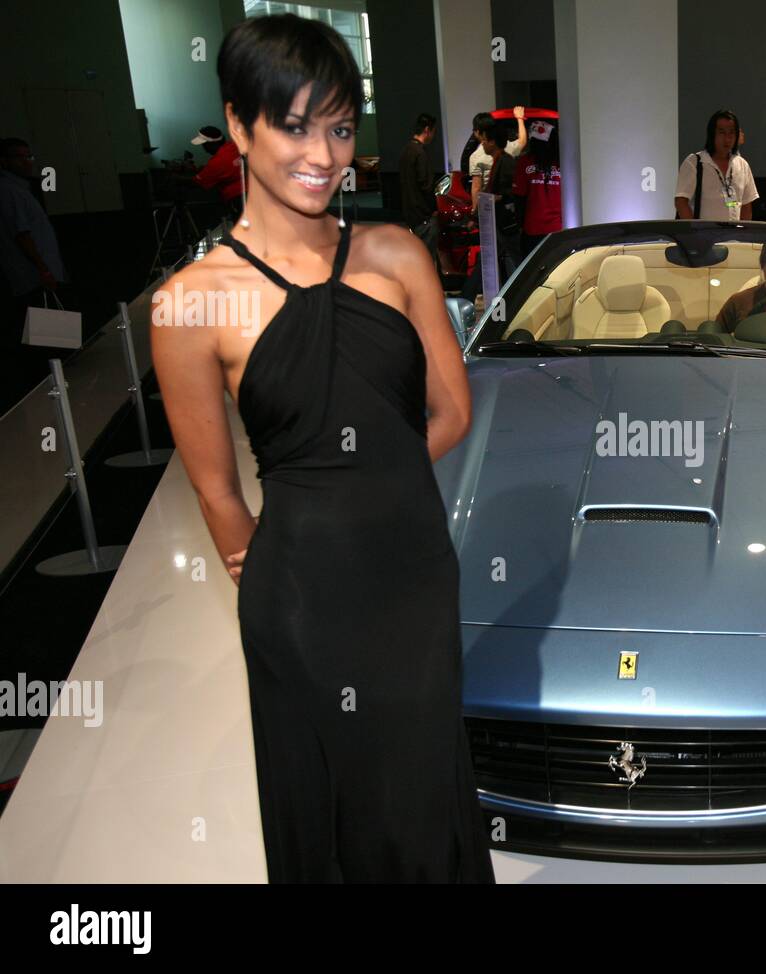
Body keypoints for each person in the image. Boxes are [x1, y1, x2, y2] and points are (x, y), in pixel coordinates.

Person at [149, 13, 493, 883]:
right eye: (293, 124)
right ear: (238, 124)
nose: (323, 154)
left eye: (339, 127)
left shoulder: (396, 255)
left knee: (419, 797)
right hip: (301, 602)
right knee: (331, 808)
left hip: (414, 581)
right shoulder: (190, 304)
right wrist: (273, 562)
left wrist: (381, 497)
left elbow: (452, 409)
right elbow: (220, 496)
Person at [0, 137, 69, 349]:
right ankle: (52, 365)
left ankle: (55, 359)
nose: (26, 162)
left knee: (45, 323)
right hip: (32, 274)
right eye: (18, 158)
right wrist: (43, 269)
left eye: (28, 156)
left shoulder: (20, 188)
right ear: (4, 161)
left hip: (37, 271)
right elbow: (22, 234)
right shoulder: (9, 191)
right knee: (42, 326)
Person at [460, 119, 521, 301]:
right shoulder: (498, 160)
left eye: (485, 141)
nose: (483, 144)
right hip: (497, 222)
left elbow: (510, 192)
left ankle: (515, 299)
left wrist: (493, 199)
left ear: (493, 142)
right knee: (493, 262)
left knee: (509, 262)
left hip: (505, 224)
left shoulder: (506, 162)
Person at [674, 109, 758, 220]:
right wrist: (695, 232)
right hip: (704, 235)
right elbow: (681, 202)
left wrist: (743, 234)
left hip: (734, 236)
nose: (727, 138)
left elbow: (746, 205)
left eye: (732, 132)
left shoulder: (742, 164)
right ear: (712, 134)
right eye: (722, 132)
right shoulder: (694, 162)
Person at [512, 119, 562, 259]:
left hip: (532, 229)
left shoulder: (524, 162)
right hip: (559, 229)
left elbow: (519, 197)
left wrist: (519, 224)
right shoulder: (562, 161)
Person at [399, 112, 442, 275]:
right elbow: (427, 186)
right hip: (424, 218)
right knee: (428, 263)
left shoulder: (405, 151)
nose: (433, 135)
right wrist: (434, 210)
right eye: (433, 131)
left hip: (411, 217)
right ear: (427, 130)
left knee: (417, 260)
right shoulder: (420, 153)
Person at [467, 106, 526, 215]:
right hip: (509, 208)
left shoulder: (475, 157)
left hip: (489, 207)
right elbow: (522, 141)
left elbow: (476, 187)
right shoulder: (507, 147)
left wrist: (475, 211)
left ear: (478, 132)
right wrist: (520, 119)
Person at [191, 125, 245, 220]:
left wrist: (176, 177)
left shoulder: (216, 162)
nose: (204, 148)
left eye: (204, 145)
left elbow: (197, 182)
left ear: (211, 144)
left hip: (238, 200)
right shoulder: (234, 146)